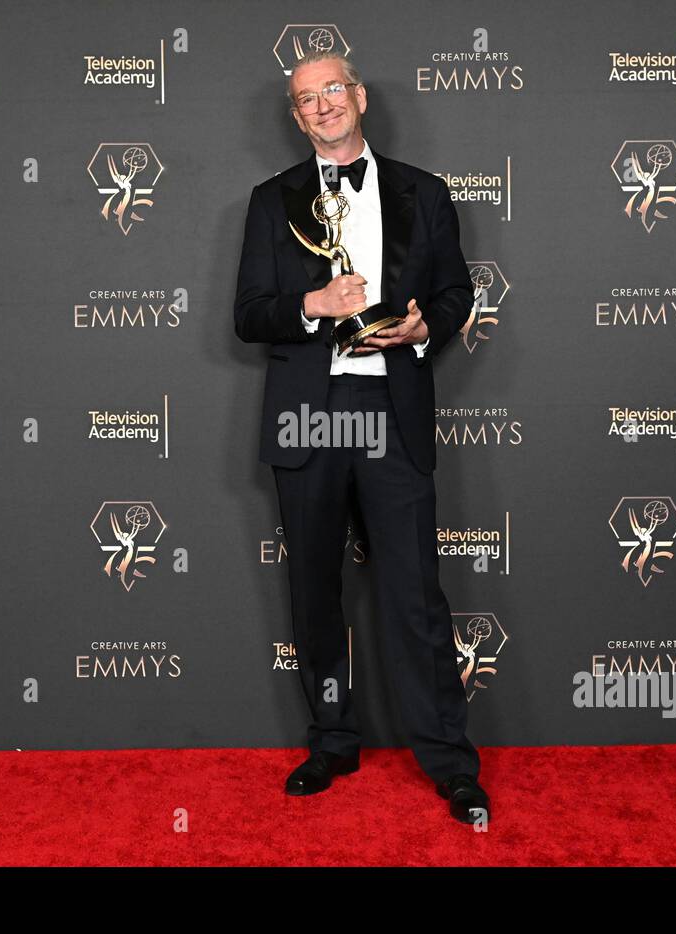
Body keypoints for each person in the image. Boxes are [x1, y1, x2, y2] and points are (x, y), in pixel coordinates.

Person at [233, 51, 488, 825]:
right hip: (309, 417)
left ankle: (448, 762)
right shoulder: (270, 200)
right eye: (306, 99)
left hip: (391, 415)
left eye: (332, 90)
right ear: (296, 115)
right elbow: (248, 314)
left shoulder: (426, 192)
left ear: (361, 98)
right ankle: (332, 741)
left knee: (415, 597)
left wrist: (421, 329)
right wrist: (310, 301)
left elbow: (455, 294)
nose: (322, 106)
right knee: (315, 595)